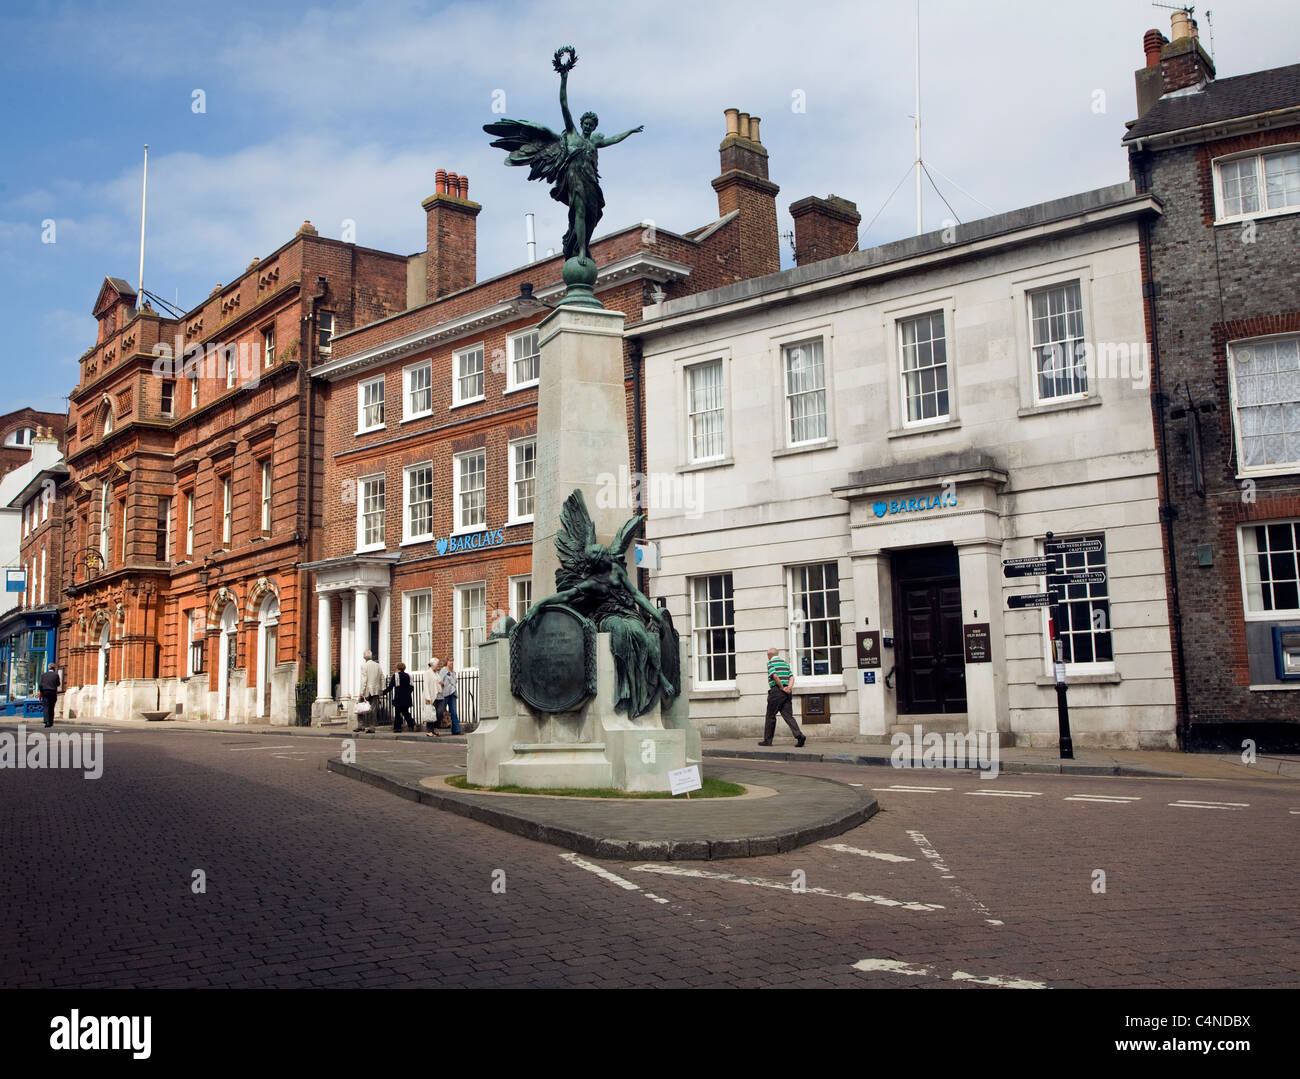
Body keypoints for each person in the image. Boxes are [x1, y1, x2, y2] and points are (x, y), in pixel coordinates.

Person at [759, 646, 805, 748]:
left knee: (770, 715)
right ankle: (799, 735)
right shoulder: (785, 664)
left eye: (767, 655)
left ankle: (768, 740)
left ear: (769, 655)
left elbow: (775, 676)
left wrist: (781, 687)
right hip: (787, 692)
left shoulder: (770, 663)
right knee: (788, 716)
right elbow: (791, 677)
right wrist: (788, 687)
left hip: (776, 691)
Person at [356, 649, 385, 734]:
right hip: (375, 690)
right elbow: (382, 678)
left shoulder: (364, 666)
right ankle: (372, 728)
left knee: (360, 708)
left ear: (364, 657)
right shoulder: (378, 665)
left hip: (367, 691)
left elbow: (364, 680)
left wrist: (361, 691)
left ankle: (361, 726)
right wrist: (382, 689)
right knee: (373, 710)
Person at [389, 661, 413, 733]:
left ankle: (397, 728)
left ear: (397, 668)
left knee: (397, 713)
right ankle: (411, 724)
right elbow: (411, 688)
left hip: (398, 698)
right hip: (407, 698)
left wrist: (383, 692)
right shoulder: (409, 676)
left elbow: (391, 687)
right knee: (405, 712)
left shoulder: (396, 676)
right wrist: (407, 694)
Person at [424, 658, 443, 737]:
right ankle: (430, 730)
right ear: (432, 664)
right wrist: (428, 697)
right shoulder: (427, 673)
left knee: (439, 713)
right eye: (436, 664)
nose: (437, 666)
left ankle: (435, 728)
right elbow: (426, 685)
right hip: (431, 696)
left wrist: (442, 684)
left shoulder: (436, 673)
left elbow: (439, 684)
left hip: (439, 695)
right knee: (430, 713)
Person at [442, 660, 461, 735]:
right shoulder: (443, 670)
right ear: (446, 662)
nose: (452, 663)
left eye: (453, 661)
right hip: (445, 693)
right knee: (440, 711)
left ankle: (456, 730)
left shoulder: (453, 672)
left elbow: (455, 681)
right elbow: (440, 680)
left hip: (452, 693)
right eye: (450, 661)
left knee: (453, 711)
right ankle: (433, 728)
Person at [39, 663, 60, 729]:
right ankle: (51, 722)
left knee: (46, 706)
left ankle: (46, 721)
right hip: (53, 692)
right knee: (51, 707)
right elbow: (58, 684)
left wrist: (41, 692)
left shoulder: (44, 675)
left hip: (45, 692)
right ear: (54, 668)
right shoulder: (56, 675)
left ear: (48, 668)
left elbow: (40, 685)